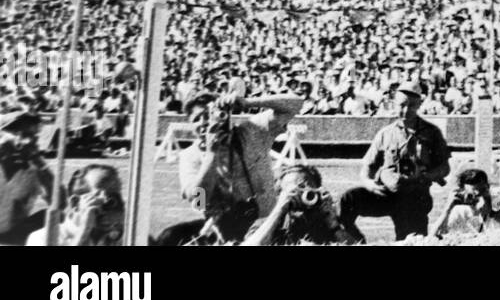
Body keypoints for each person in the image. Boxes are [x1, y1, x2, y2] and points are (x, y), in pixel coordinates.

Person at [156, 91, 304, 246]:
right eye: (196, 119)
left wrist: (248, 102)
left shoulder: (252, 132)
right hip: (224, 233)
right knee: (169, 237)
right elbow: (199, 202)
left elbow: (295, 104)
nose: (204, 122)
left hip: (268, 227)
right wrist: (211, 155)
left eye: (209, 115)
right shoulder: (190, 156)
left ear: (225, 114)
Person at [339, 81, 451, 242]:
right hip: (386, 194)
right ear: (393, 104)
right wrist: (370, 183)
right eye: (402, 105)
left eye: (411, 105)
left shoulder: (431, 133)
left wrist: (426, 176)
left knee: (410, 241)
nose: (406, 110)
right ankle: (356, 242)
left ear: (419, 104)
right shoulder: (386, 133)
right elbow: (367, 167)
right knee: (348, 199)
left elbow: (445, 168)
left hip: (415, 196)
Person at [241, 164, 351, 246]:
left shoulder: (326, 225)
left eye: (307, 188)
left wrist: (333, 224)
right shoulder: (265, 225)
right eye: (293, 190)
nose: (302, 193)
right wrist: (279, 209)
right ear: (280, 195)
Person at [28, 163, 124, 246]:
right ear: (75, 203)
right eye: (99, 194)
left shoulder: (121, 237)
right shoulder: (42, 238)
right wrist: (84, 230)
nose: (110, 203)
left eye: (114, 195)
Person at [0, 109, 52, 246]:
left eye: (33, 135)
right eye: (22, 134)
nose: (28, 140)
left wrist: (40, 165)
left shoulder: (32, 166)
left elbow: (59, 202)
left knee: (54, 216)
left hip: (13, 231)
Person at [431, 168, 500, 238]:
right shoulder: (460, 210)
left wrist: (493, 211)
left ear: (488, 187)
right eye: (472, 194)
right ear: (462, 192)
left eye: (482, 190)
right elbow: (434, 236)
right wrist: (447, 209)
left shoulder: (499, 200)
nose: (477, 197)